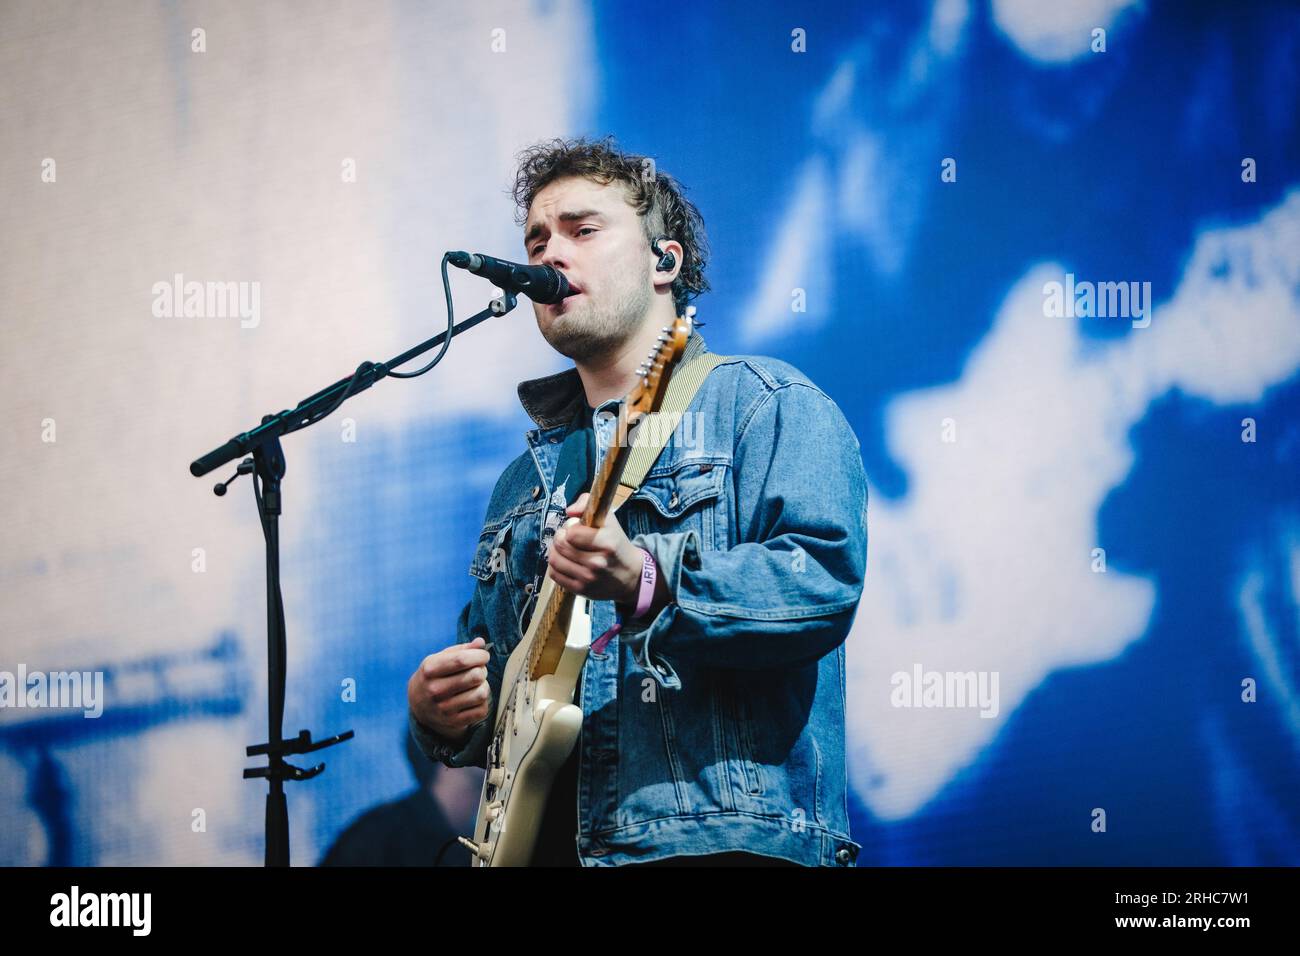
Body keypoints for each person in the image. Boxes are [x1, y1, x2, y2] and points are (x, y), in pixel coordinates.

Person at [408, 135, 867, 867]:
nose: (547, 255)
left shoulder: (766, 405)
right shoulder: (522, 483)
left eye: (582, 230)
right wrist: (444, 716)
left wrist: (646, 580)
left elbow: (819, 584)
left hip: (708, 846)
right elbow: (509, 691)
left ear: (665, 262)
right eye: (536, 239)